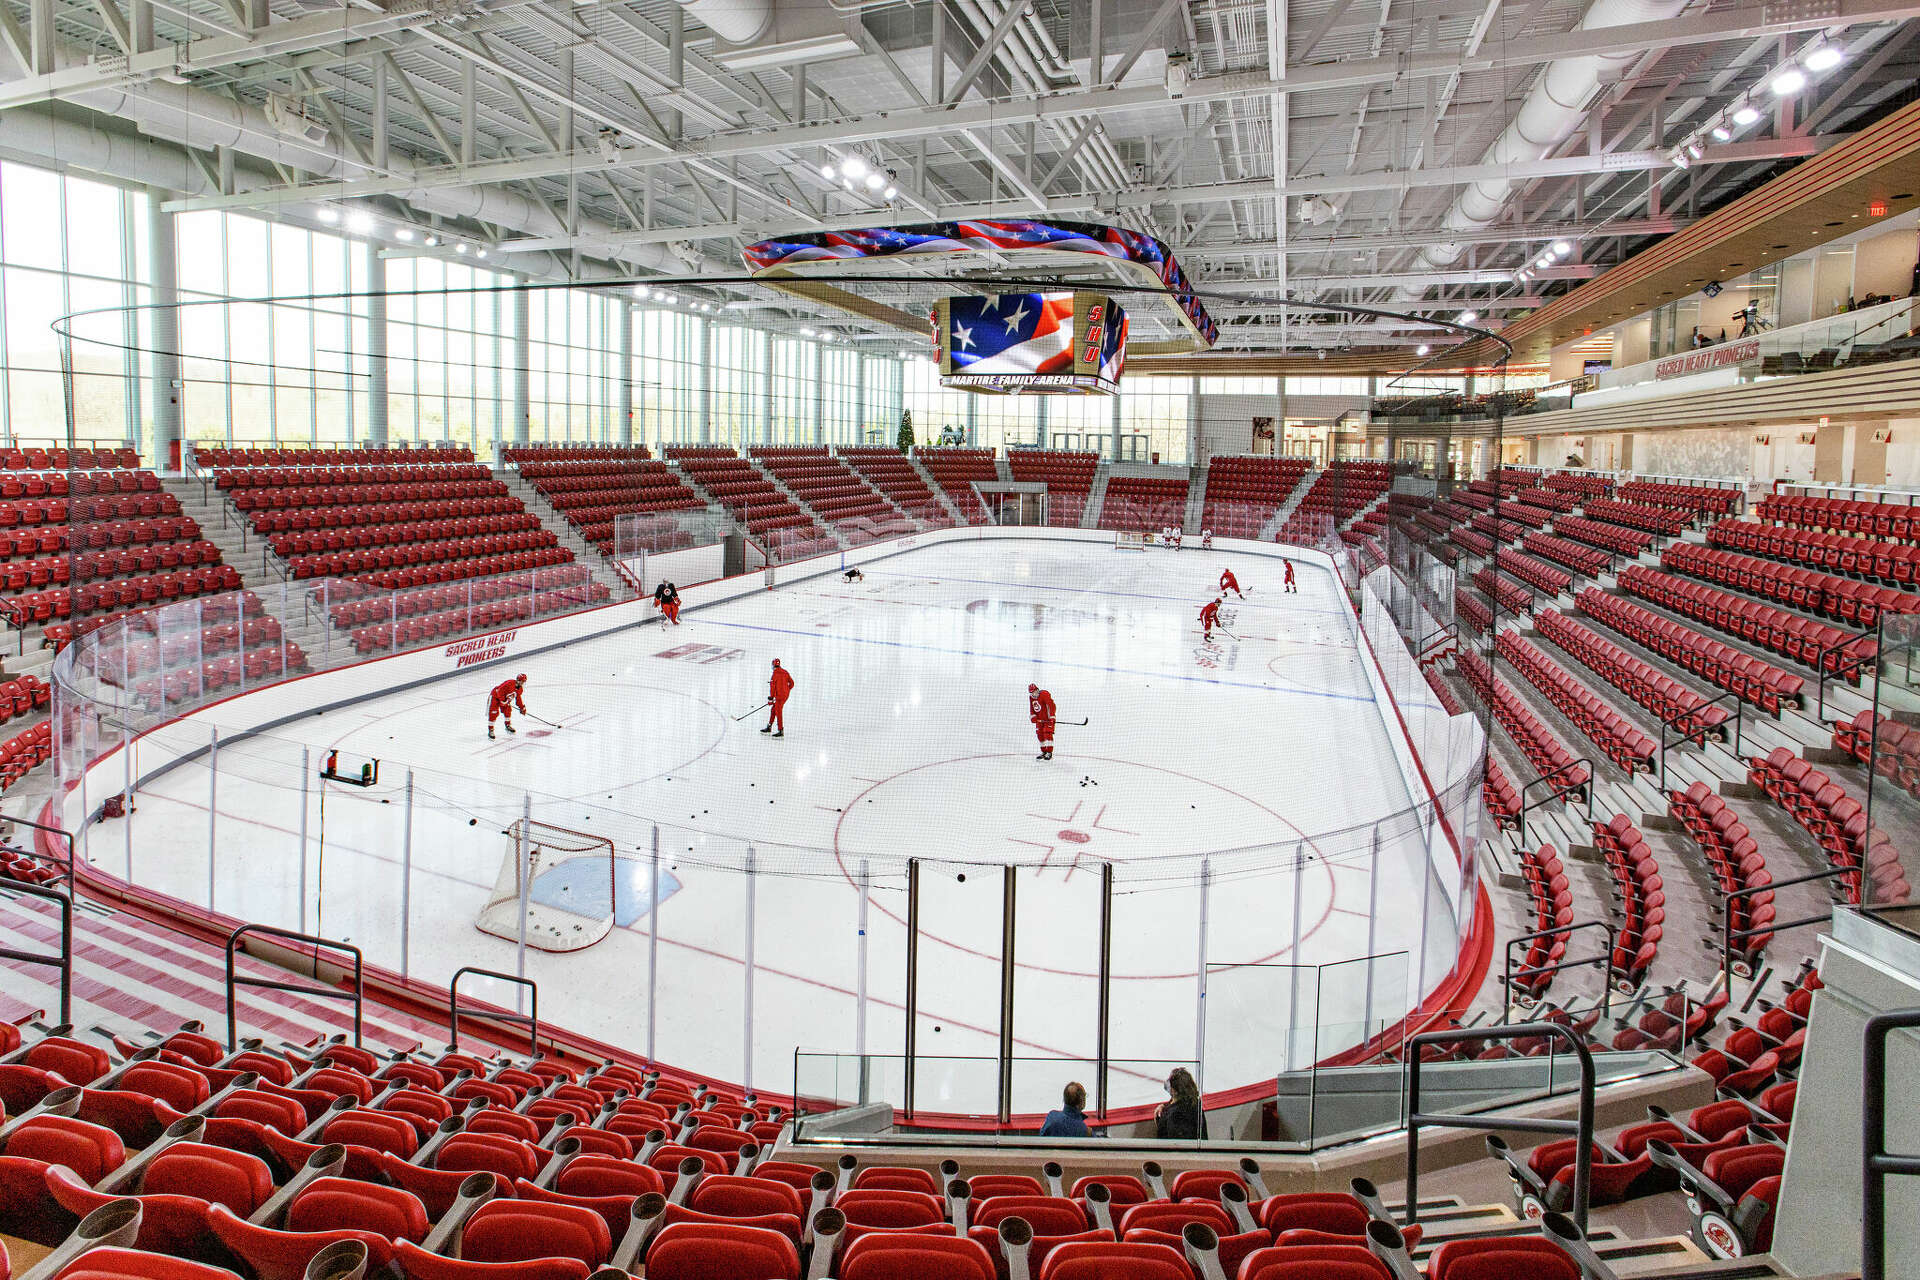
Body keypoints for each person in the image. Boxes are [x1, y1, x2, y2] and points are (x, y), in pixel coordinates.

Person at [1154, 1067, 1207, 1140]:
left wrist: (1161, 1117)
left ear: (1175, 1091)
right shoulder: (1194, 1102)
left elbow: (1174, 1144)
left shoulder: (1175, 1115)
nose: (1167, 1082)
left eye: (1169, 1081)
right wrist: (1164, 1106)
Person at [487, 673, 527, 739]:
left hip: (504, 700)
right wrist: (503, 701)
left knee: (508, 710)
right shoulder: (509, 683)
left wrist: (522, 707)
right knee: (494, 713)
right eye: (522, 681)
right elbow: (499, 691)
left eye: (524, 682)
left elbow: (518, 698)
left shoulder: (520, 689)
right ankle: (491, 729)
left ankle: (507, 725)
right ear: (518, 680)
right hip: (495, 697)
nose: (523, 683)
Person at [763, 659, 794, 738]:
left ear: (773, 665)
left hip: (780, 697)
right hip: (784, 696)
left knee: (778, 711)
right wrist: (786, 690)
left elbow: (772, 688)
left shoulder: (775, 675)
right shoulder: (785, 672)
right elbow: (792, 683)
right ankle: (769, 726)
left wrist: (771, 699)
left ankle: (780, 731)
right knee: (773, 709)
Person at [1028, 682, 1056, 761]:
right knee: (1040, 735)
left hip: (1048, 719)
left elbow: (1051, 705)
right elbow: (1032, 708)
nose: (1034, 694)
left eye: (1035, 691)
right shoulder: (1031, 698)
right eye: (1032, 692)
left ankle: (1049, 752)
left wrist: (1052, 717)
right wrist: (1033, 716)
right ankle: (1043, 752)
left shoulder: (1044, 694)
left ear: (1037, 689)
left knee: (1047, 733)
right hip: (1039, 720)